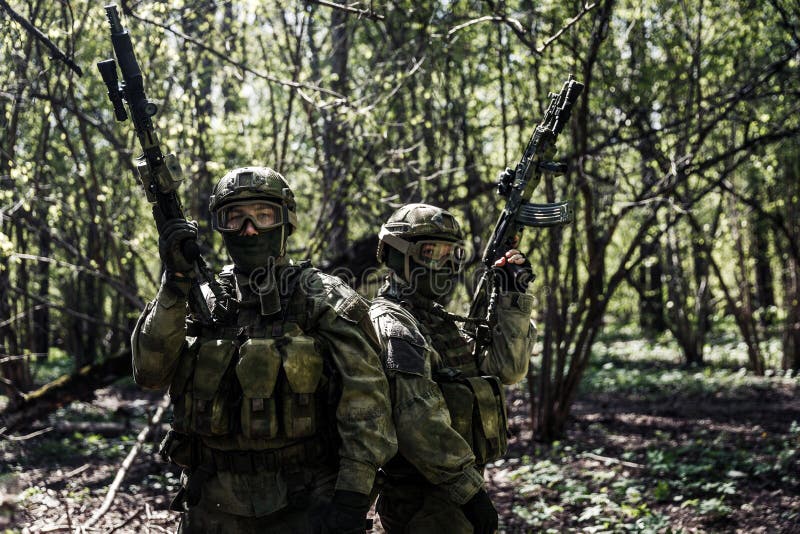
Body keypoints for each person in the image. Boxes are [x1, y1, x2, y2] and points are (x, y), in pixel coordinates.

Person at [131, 166, 397, 533]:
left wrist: (351, 499)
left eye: (263, 215)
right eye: (235, 217)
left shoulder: (323, 298)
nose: (250, 229)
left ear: (286, 222)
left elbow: (368, 405)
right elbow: (149, 373)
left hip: (306, 502)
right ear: (220, 227)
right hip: (212, 504)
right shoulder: (201, 300)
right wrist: (175, 284)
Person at [369, 203, 535, 533]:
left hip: (449, 498)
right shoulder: (393, 323)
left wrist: (512, 295)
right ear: (397, 256)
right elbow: (416, 419)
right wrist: (471, 494)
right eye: (432, 252)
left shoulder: (436, 321)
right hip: (418, 505)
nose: (445, 264)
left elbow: (508, 370)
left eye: (452, 254)